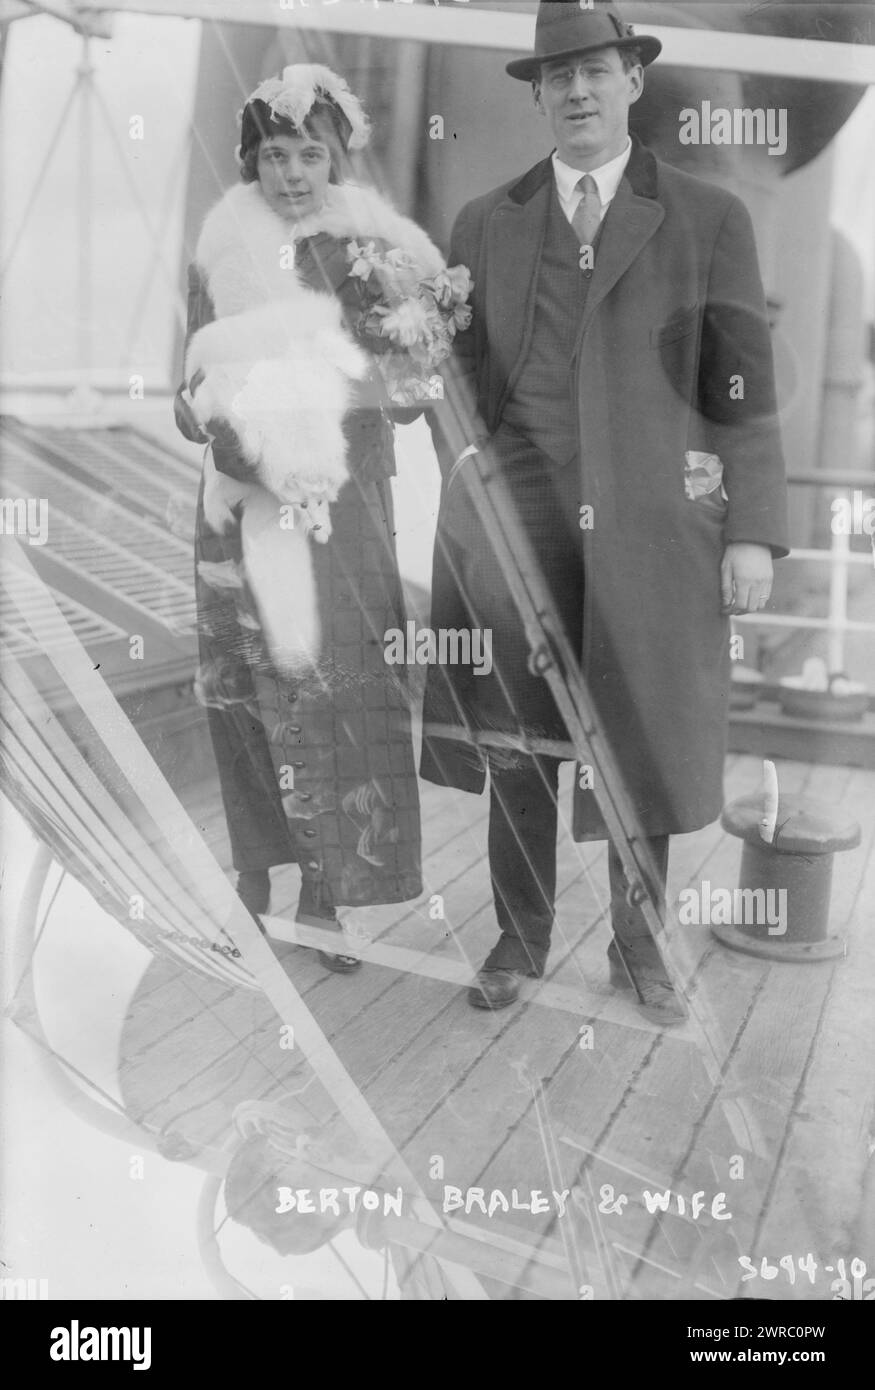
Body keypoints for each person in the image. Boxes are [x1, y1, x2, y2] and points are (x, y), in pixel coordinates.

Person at [421, 1, 789, 1022]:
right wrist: (458, 460)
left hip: (646, 522)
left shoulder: (710, 219)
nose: (575, 91)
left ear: (632, 80)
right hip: (517, 516)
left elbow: (738, 390)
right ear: (537, 95)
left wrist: (752, 529)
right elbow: (452, 373)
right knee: (515, 732)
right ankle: (516, 934)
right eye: (556, 77)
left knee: (639, 731)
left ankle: (637, 946)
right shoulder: (482, 220)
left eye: (594, 71)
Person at [175, 65, 446, 968]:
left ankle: (329, 898)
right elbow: (186, 393)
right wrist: (227, 427)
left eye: (311, 155)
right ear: (251, 159)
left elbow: (412, 397)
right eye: (275, 155)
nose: (292, 175)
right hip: (241, 501)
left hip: (346, 506)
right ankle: (254, 887)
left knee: (339, 697)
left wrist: (388, 358)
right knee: (246, 692)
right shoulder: (220, 247)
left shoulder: (376, 250)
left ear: (337, 156)